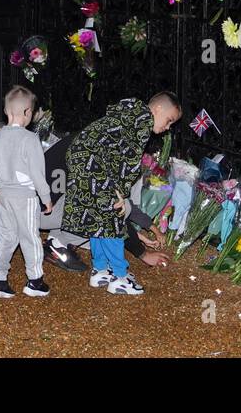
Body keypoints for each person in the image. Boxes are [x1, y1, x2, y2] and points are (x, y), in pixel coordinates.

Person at [62, 93, 181, 296]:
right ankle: (120, 276)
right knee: (113, 220)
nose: (168, 127)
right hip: (96, 166)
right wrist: (121, 193)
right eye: (169, 120)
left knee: (96, 217)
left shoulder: (127, 113)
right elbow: (128, 161)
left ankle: (100, 270)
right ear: (158, 110)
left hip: (80, 158)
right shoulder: (142, 122)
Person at [0, 85, 52, 299]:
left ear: (6, 111)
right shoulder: (30, 139)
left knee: (5, 237)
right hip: (26, 198)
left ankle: (0, 280)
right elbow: (37, 173)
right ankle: (34, 280)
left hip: (5, 196)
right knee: (30, 237)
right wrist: (46, 197)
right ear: (27, 113)